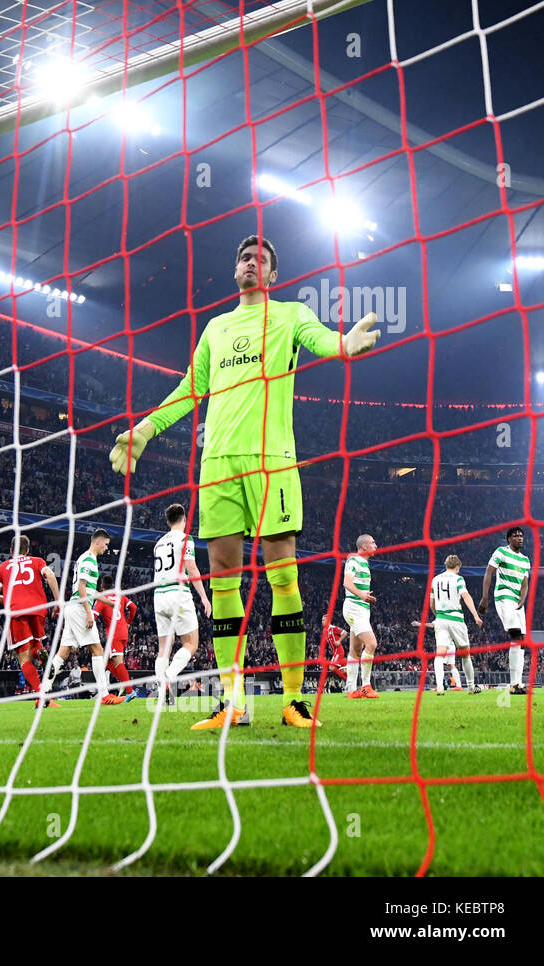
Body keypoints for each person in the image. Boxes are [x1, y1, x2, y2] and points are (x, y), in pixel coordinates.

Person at [111, 234, 381, 729]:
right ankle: (232, 700)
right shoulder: (215, 327)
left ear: (272, 275)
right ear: (235, 270)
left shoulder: (289, 315)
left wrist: (344, 345)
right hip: (217, 465)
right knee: (223, 582)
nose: (251, 263)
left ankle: (294, 699)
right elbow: (191, 387)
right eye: (244, 258)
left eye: (261, 260)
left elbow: (323, 340)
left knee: (283, 576)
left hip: (273, 460)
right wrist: (146, 429)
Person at [150, 503, 212, 716]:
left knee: (163, 649)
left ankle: (161, 692)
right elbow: (191, 567)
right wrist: (204, 597)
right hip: (178, 593)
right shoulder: (186, 539)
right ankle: (170, 676)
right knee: (191, 643)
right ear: (184, 519)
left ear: (168, 522)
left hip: (158, 596)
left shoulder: (158, 544)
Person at [0, 535, 63, 708]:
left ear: (10, 550)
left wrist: (8, 599)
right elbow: (51, 575)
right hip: (38, 610)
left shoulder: (3, 568)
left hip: (17, 611)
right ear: (28, 550)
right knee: (35, 646)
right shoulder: (37, 561)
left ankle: (41, 694)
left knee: (23, 658)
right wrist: (58, 602)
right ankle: (41, 653)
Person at [42, 529, 111, 701]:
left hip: (73, 607)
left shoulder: (85, 558)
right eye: (106, 544)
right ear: (98, 542)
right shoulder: (89, 559)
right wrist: (89, 613)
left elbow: (89, 590)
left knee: (63, 652)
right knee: (97, 649)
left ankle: (44, 691)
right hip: (79, 607)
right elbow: (81, 588)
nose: (106, 548)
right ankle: (104, 695)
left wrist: (110, 602)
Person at [413, 554, 484, 695]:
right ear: (458, 567)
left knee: (439, 654)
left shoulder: (435, 580)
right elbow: (465, 596)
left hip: (441, 619)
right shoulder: (458, 579)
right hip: (456, 619)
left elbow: (431, 603)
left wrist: (437, 615)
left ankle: (439, 687)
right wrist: (476, 615)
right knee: (465, 654)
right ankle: (471, 687)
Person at [479, 526, 532, 695]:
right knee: (516, 635)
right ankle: (513, 685)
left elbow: (525, 583)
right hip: (504, 596)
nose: (520, 538)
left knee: (522, 641)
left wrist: (523, 598)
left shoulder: (525, 560)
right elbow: (489, 572)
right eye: (516, 536)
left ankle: (518, 684)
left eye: (521, 536)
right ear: (509, 539)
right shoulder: (501, 552)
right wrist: (484, 598)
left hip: (517, 602)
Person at [343, 534, 380, 698]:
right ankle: (366, 686)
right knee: (372, 644)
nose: (376, 545)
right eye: (372, 543)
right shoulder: (353, 560)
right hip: (354, 607)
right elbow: (347, 583)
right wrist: (362, 595)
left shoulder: (365, 563)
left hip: (362, 609)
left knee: (355, 651)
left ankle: (351, 690)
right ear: (364, 546)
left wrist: (364, 597)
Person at [92, 586, 138, 704]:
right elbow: (133, 607)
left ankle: (129, 690)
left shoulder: (102, 599)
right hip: (123, 632)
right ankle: (116, 687)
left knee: (117, 662)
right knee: (105, 663)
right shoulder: (120, 596)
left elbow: (93, 617)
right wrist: (128, 622)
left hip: (114, 634)